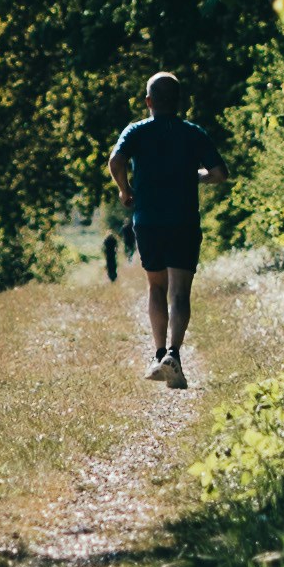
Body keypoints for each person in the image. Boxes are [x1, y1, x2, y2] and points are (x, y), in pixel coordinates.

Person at [106, 70, 224, 386]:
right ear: (179, 102)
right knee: (180, 291)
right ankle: (174, 353)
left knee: (156, 286)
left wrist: (124, 190)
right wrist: (195, 176)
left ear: (148, 101)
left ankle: (159, 355)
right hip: (184, 220)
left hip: (148, 221)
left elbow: (116, 161)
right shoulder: (193, 133)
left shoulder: (136, 131)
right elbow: (218, 173)